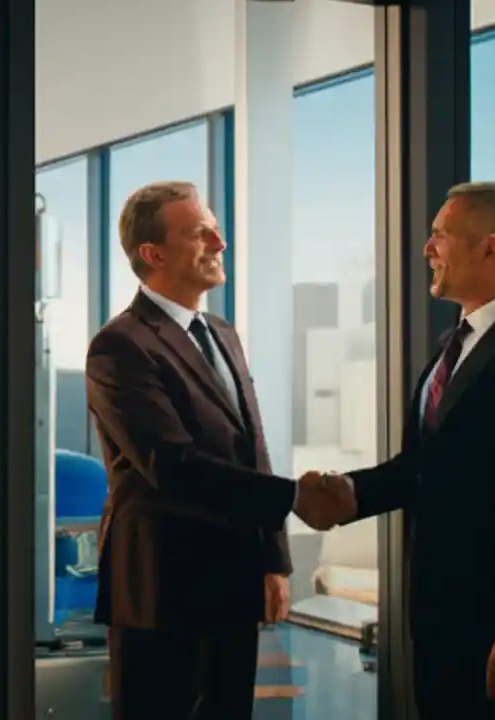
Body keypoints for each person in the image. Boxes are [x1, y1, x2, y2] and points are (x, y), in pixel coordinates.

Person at [298, 181, 495, 718]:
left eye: (440, 235)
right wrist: (353, 493)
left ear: (490, 249)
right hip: (441, 627)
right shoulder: (453, 347)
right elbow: (424, 467)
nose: (427, 248)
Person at [85, 180, 338, 719]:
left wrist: (274, 561)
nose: (220, 244)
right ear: (154, 254)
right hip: (160, 589)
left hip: (233, 582)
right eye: (200, 233)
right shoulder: (120, 345)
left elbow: (252, 446)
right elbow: (172, 465)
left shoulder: (222, 333)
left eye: (216, 231)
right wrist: (295, 497)